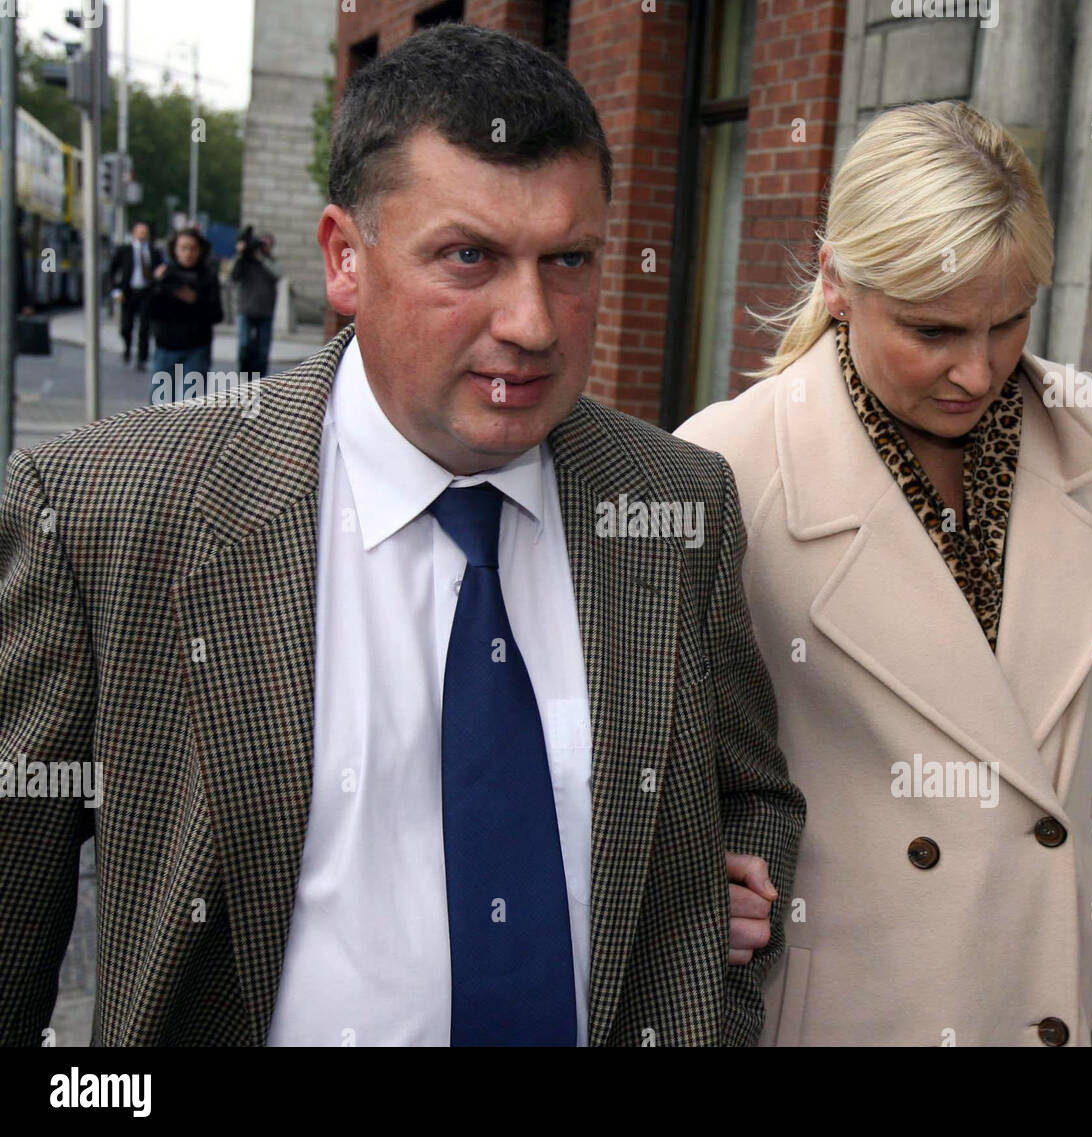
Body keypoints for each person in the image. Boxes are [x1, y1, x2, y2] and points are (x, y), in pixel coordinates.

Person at [0, 23, 803, 1047]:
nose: (533, 322)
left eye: (569, 260)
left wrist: (718, 937)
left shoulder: (674, 505)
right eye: (468, 257)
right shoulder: (109, 514)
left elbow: (749, 796)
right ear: (345, 259)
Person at [677, 101, 1092, 1046]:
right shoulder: (723, 465)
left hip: (1044, 983)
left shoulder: (1089, 432)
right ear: (837, 281)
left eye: (1010, 322)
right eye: (933, 330)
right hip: (856, 1000)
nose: (978, 369)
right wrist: (698, 874)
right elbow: (663, 768)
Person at [144, 227, 224, 387]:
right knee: (161, 402)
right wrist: (157, 285)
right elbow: (149, 310)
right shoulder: (165, 274)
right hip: (166, 346)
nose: (188, 254)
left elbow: (217, 314)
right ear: (175, 250)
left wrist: (196, 300)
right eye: (183, 248)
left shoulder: (207, 276)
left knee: (191, 402)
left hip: (196, 347)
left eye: (193, 249)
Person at [109, 221, 162, 369]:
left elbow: (159, 271)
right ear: (134, 233)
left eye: (145, 232)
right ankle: (127, 348)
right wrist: (116, 290)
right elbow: (113, 271)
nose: (143, 235)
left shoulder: (154, 252)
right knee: (126, 325)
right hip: (128, 292)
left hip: (147, 292)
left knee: (145, 327)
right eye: (140, 232)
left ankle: (142, 358)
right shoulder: (124, 250)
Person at [230, 226, 280, 377]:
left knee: (262, 349)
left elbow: (278, 274)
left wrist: (262, 259)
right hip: (245, 309)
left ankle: (259, 378)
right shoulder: (245, 261)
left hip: (265, 311)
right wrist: (240, 254)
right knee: (244, 344)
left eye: (266, 244)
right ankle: (244, 374)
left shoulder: (272, 262)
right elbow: (233, 276)